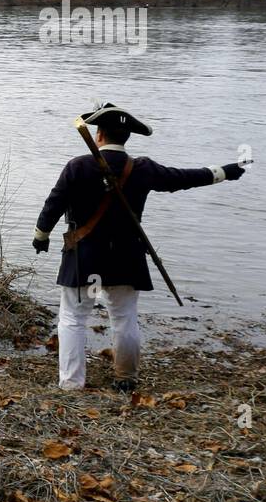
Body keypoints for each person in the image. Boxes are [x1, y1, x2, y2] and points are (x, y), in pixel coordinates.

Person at [33, 103, 246, 393]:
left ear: (98, 135)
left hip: (85, 258)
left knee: (73, 319)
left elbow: (53, 204)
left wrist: (41, 235)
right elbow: (183, 178)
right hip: (126, 257)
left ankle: (71, 383)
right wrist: (225, 171)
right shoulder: (142, 169)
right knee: (123, 318)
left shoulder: (78, 166)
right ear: (126, 138)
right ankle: (125, 379)